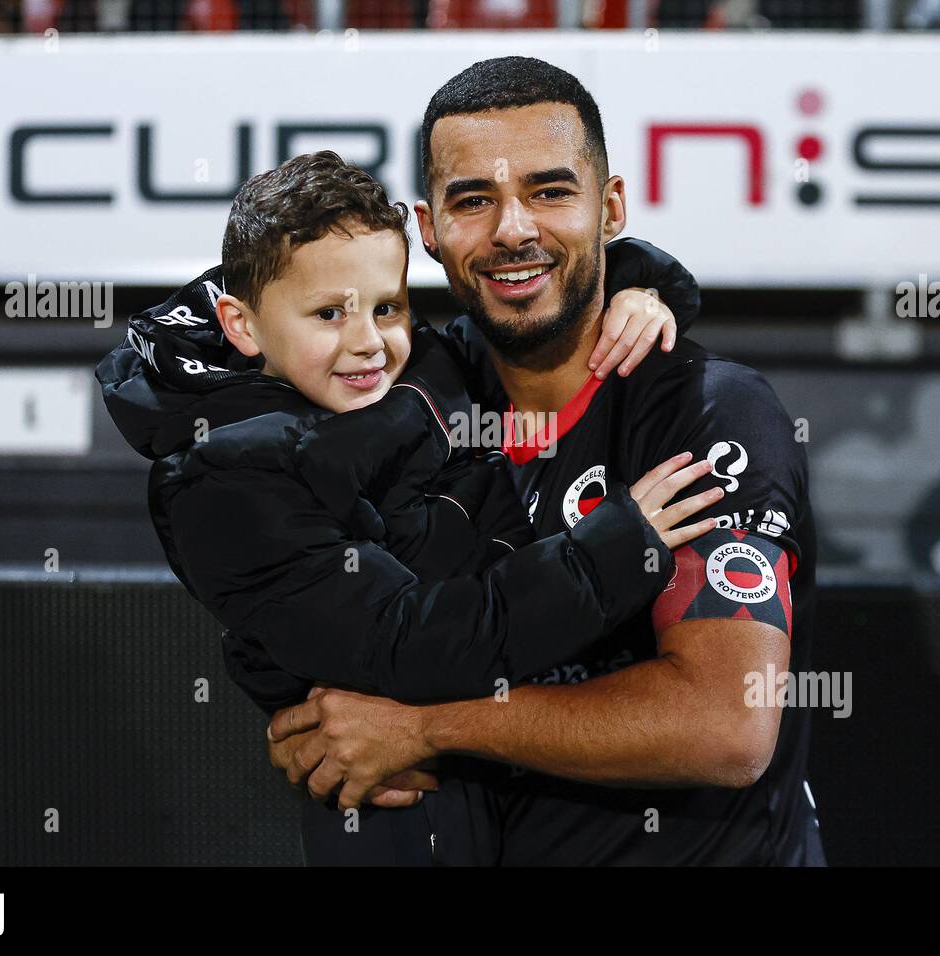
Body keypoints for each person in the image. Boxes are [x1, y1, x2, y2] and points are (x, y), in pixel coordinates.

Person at [266, 57, 826, 866]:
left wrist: (422, 726)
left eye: (550, 192)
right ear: (427, 229)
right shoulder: (397, 399)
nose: (513, 230)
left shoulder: (708, 410)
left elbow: (725, 723)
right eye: (473, 201)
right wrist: (312, 724)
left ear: (613, 208)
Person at [97, 149, 719, 864]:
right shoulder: (222, 480)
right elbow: (407, 648)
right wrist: (612, 552)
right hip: (402, 805)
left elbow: (513, 331)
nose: (368, 342)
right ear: (241, 326)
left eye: (387, 305)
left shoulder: (408, 366)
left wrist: (638, 290)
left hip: (505, 778)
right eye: (328, 313)